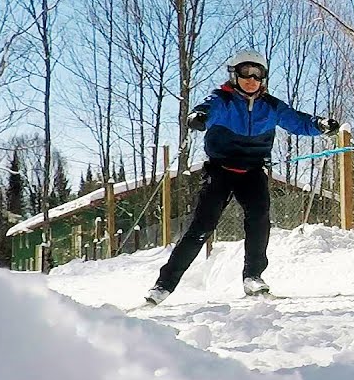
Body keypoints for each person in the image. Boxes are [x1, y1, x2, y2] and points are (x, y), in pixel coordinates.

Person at [144, 50, 341, 304]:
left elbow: (297, 121)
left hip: (252, 172)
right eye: (245, 73)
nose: (251, 79)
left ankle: (253, 277)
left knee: (259, 220)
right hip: (220, 170)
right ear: (234, 75)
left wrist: (320, 124)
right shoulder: (222, 100)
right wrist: (198, 117)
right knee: (201, 227)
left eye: (257, 75)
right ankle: (163, 285)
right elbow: (206, 109)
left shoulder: (270, 106)